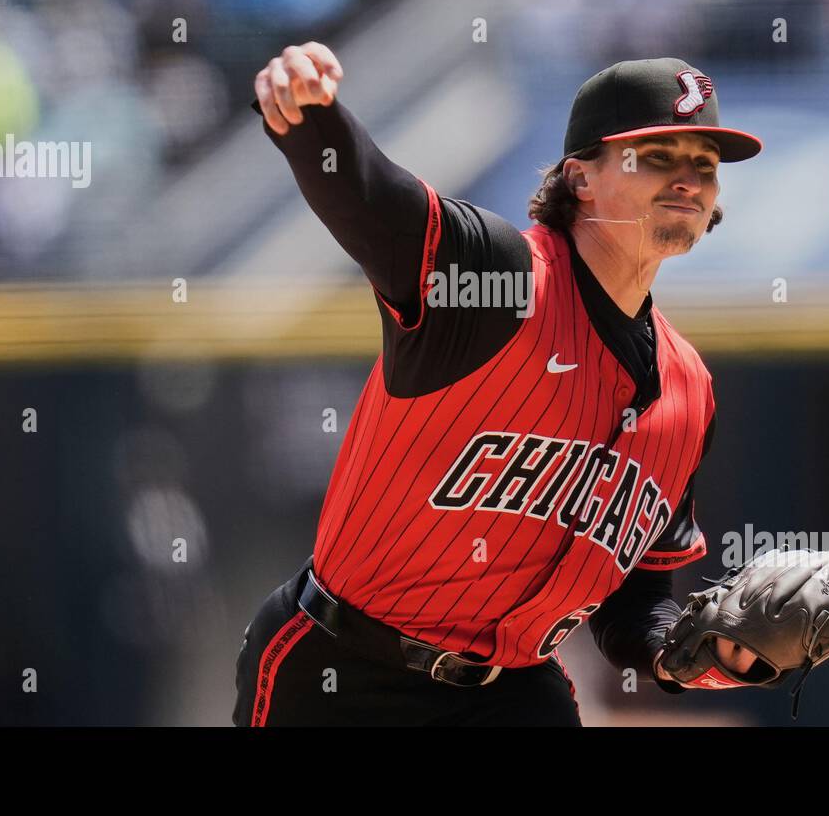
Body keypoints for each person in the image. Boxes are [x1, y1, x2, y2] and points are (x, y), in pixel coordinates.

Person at [233, 43, 763, 726]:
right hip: (348, 671)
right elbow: (373, 200)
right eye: (656, 157)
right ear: (580, 178)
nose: (688, 178)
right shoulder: (493, 277)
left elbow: (636, 600)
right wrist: (308, 116)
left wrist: (691, 648)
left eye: (705, 165)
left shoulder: (688, 390)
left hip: (513, 692)